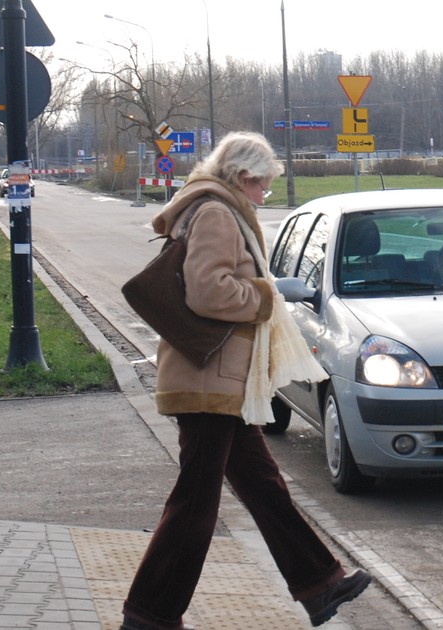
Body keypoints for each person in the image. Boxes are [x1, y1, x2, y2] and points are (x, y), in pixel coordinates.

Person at [121, 131, 369, 630]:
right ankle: (149, 614)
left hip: (220, 379)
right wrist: (267, 294)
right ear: (242, 177)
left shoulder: (218, 206)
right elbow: (208, 293)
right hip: (207, 381)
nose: (264, 195)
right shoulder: (216, 212)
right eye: (262, 187)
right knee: (196, 504)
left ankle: (321, 584)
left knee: (265, 488)